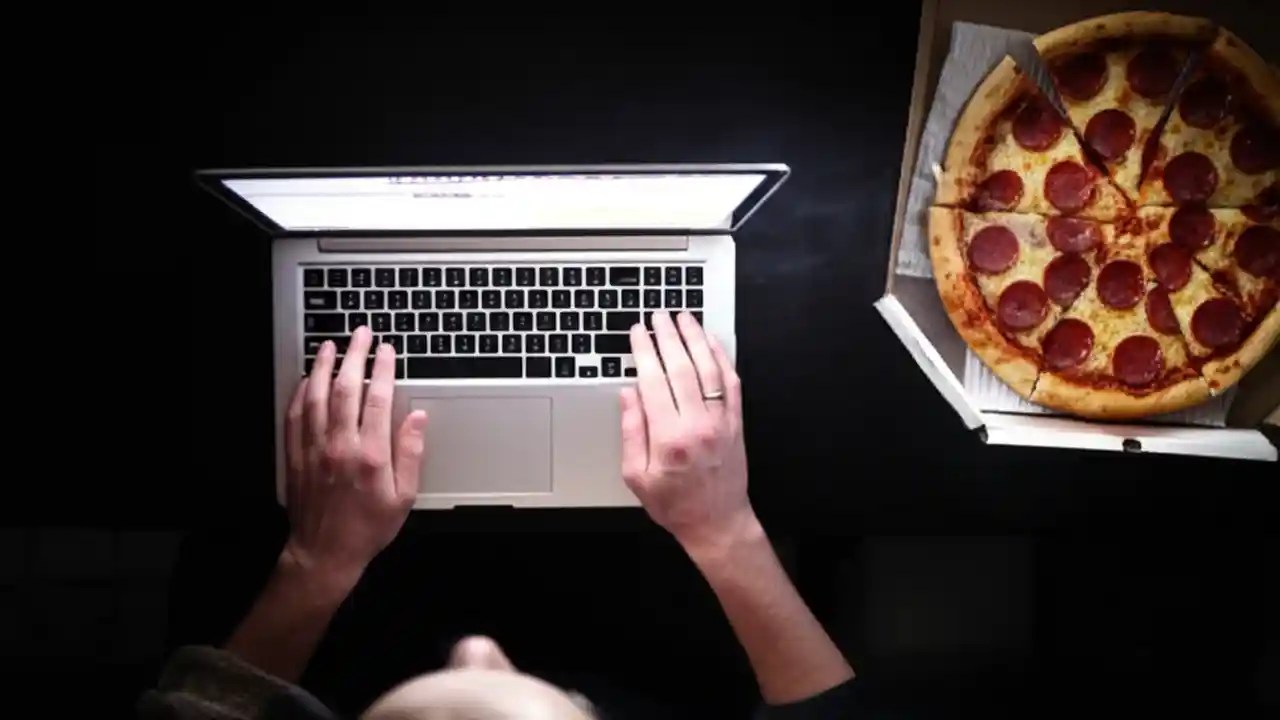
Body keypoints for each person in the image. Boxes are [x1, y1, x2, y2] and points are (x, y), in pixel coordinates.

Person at [139, 311, 857, 719]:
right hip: (645, 652)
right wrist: (724, 532)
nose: (477, 644)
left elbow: (201, 705)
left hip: (348, 631)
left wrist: (314, 564)